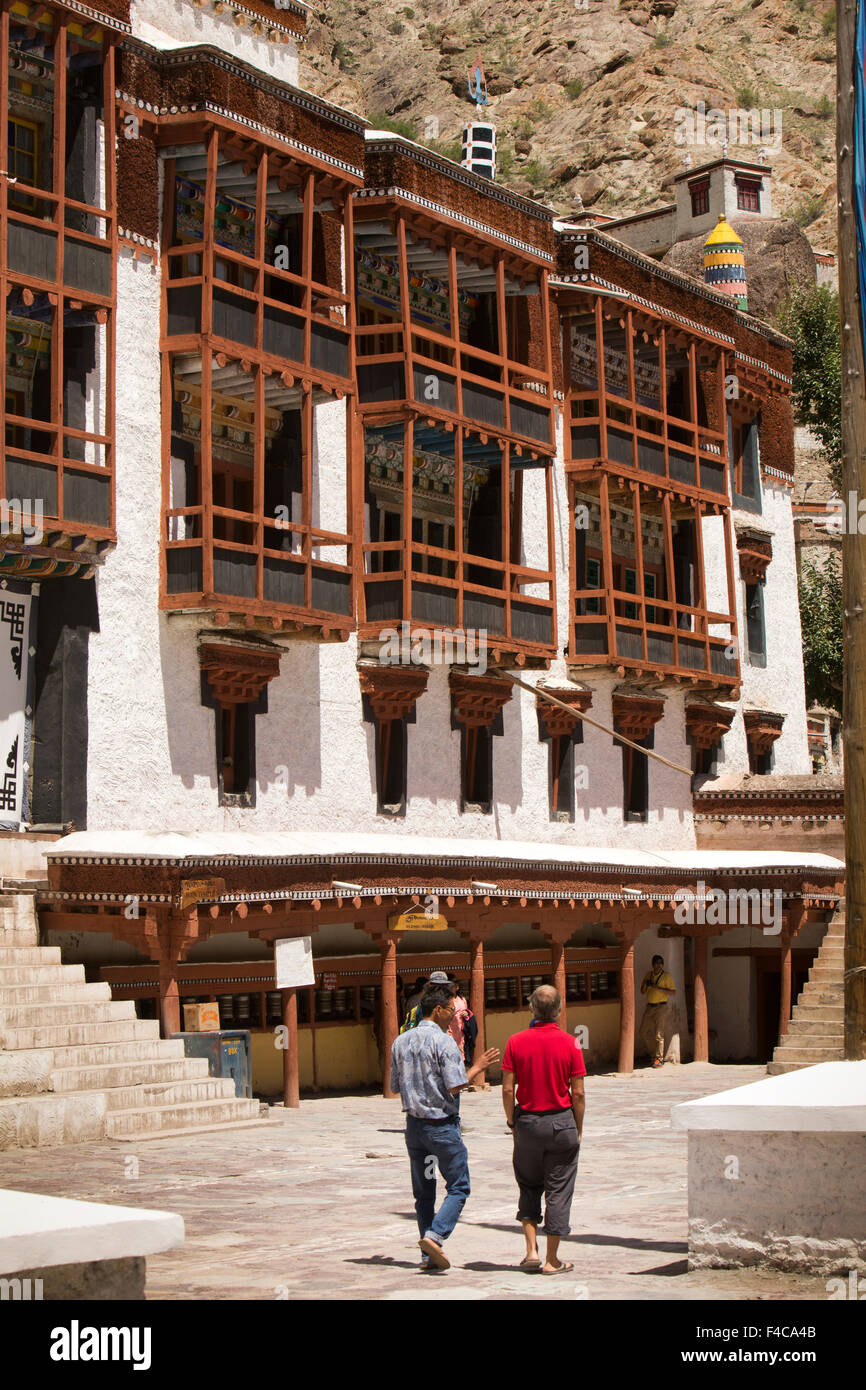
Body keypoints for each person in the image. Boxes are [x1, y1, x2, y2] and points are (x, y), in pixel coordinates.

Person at [390, 983, 499, 1271]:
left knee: (424, 1193)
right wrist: (478, 1066)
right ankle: (435, 1236)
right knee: (459, 1186)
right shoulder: (444, 1042)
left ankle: (428, 1254)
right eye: (451, 1010)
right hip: (441, 1129)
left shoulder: (400, 1042)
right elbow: (455, 1085)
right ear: (437, 1010)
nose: (454, 1015)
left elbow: (393, 1086)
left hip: (415, 1130)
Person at [501, 984, 585, 1276]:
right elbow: (578, 1094)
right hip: (562, 1121)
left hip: (527, 1122)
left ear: (531, 1008)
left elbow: (508, 1087)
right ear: (559, 1010)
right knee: (559, 1190)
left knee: (528, 1184)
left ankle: (530, 1251)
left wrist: (512, 1121)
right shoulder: (571, 1043)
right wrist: (578, 1127)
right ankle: (552, 1259)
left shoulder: (515, 1041)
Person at [639, 954, 675, 1068]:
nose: (658, 965)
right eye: (656, 963)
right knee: (643, 1032)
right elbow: (642, 991)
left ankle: (659, 1059)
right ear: (652, 965)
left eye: (660, 963)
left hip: (661, 1007)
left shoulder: (666, 976)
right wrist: (646, 984)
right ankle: (653, 1054)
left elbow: (672, 992)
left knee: (659, 1034)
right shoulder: (648, 975)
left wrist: (657, 987)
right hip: (650, 1007)